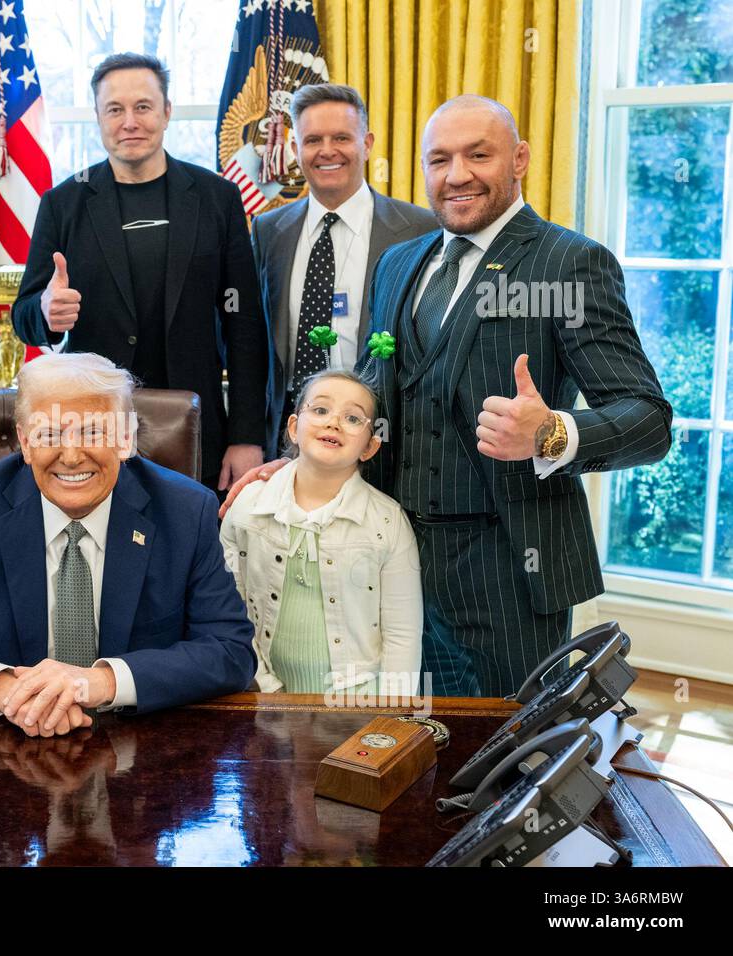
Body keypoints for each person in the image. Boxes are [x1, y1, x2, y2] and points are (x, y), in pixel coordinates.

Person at [223, 95, 672, 697]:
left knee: (503, 759)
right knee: (397, 745)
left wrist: (552, 433)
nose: (457, 174)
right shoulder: (399, 263)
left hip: (508, 569)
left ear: (519, 159)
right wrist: (302, 461)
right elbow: (372, 396)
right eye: (439, 159)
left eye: (478, 155)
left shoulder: (570, 263)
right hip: (387, 553)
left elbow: (648, 420)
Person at [0, 352, 256, 737]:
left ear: (126, 438)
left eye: (94, 431)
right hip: (2, 746)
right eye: (50, 434)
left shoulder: (186, 511)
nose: (72, 456)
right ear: (24, 442)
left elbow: (230, 650)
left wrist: (100, 683)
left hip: (140, 757)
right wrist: (7, 689)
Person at [10, 52, 270, 493]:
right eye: (115, 109)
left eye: (143, 107)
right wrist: (45, 312)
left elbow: (244, 326)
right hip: (92, 431)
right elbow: (24, 315)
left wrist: (246, 436)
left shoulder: (217, 198)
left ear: (166, 112)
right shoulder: (63, 203)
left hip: (197, 428)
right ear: (98, 117)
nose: (130, 121)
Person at [251, 83, 436, 459]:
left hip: (386, 440)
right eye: (313, 139)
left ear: (366, 144)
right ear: (295, 150)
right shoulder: (269, 231)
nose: (327, 151)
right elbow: (254, 342)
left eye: (341, 137)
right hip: (291, 438)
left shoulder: (421, 230)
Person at [220, 370, 421, 698]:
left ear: (369, 447)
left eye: (353, 417)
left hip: (359, 704)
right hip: (266, 698)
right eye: (321, 410)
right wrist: (266, 690)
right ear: (293, 428)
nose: (334, 423)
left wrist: (389, 716)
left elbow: (402, 636)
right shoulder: (248, 506)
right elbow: (231, 608)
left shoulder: (388, 523)